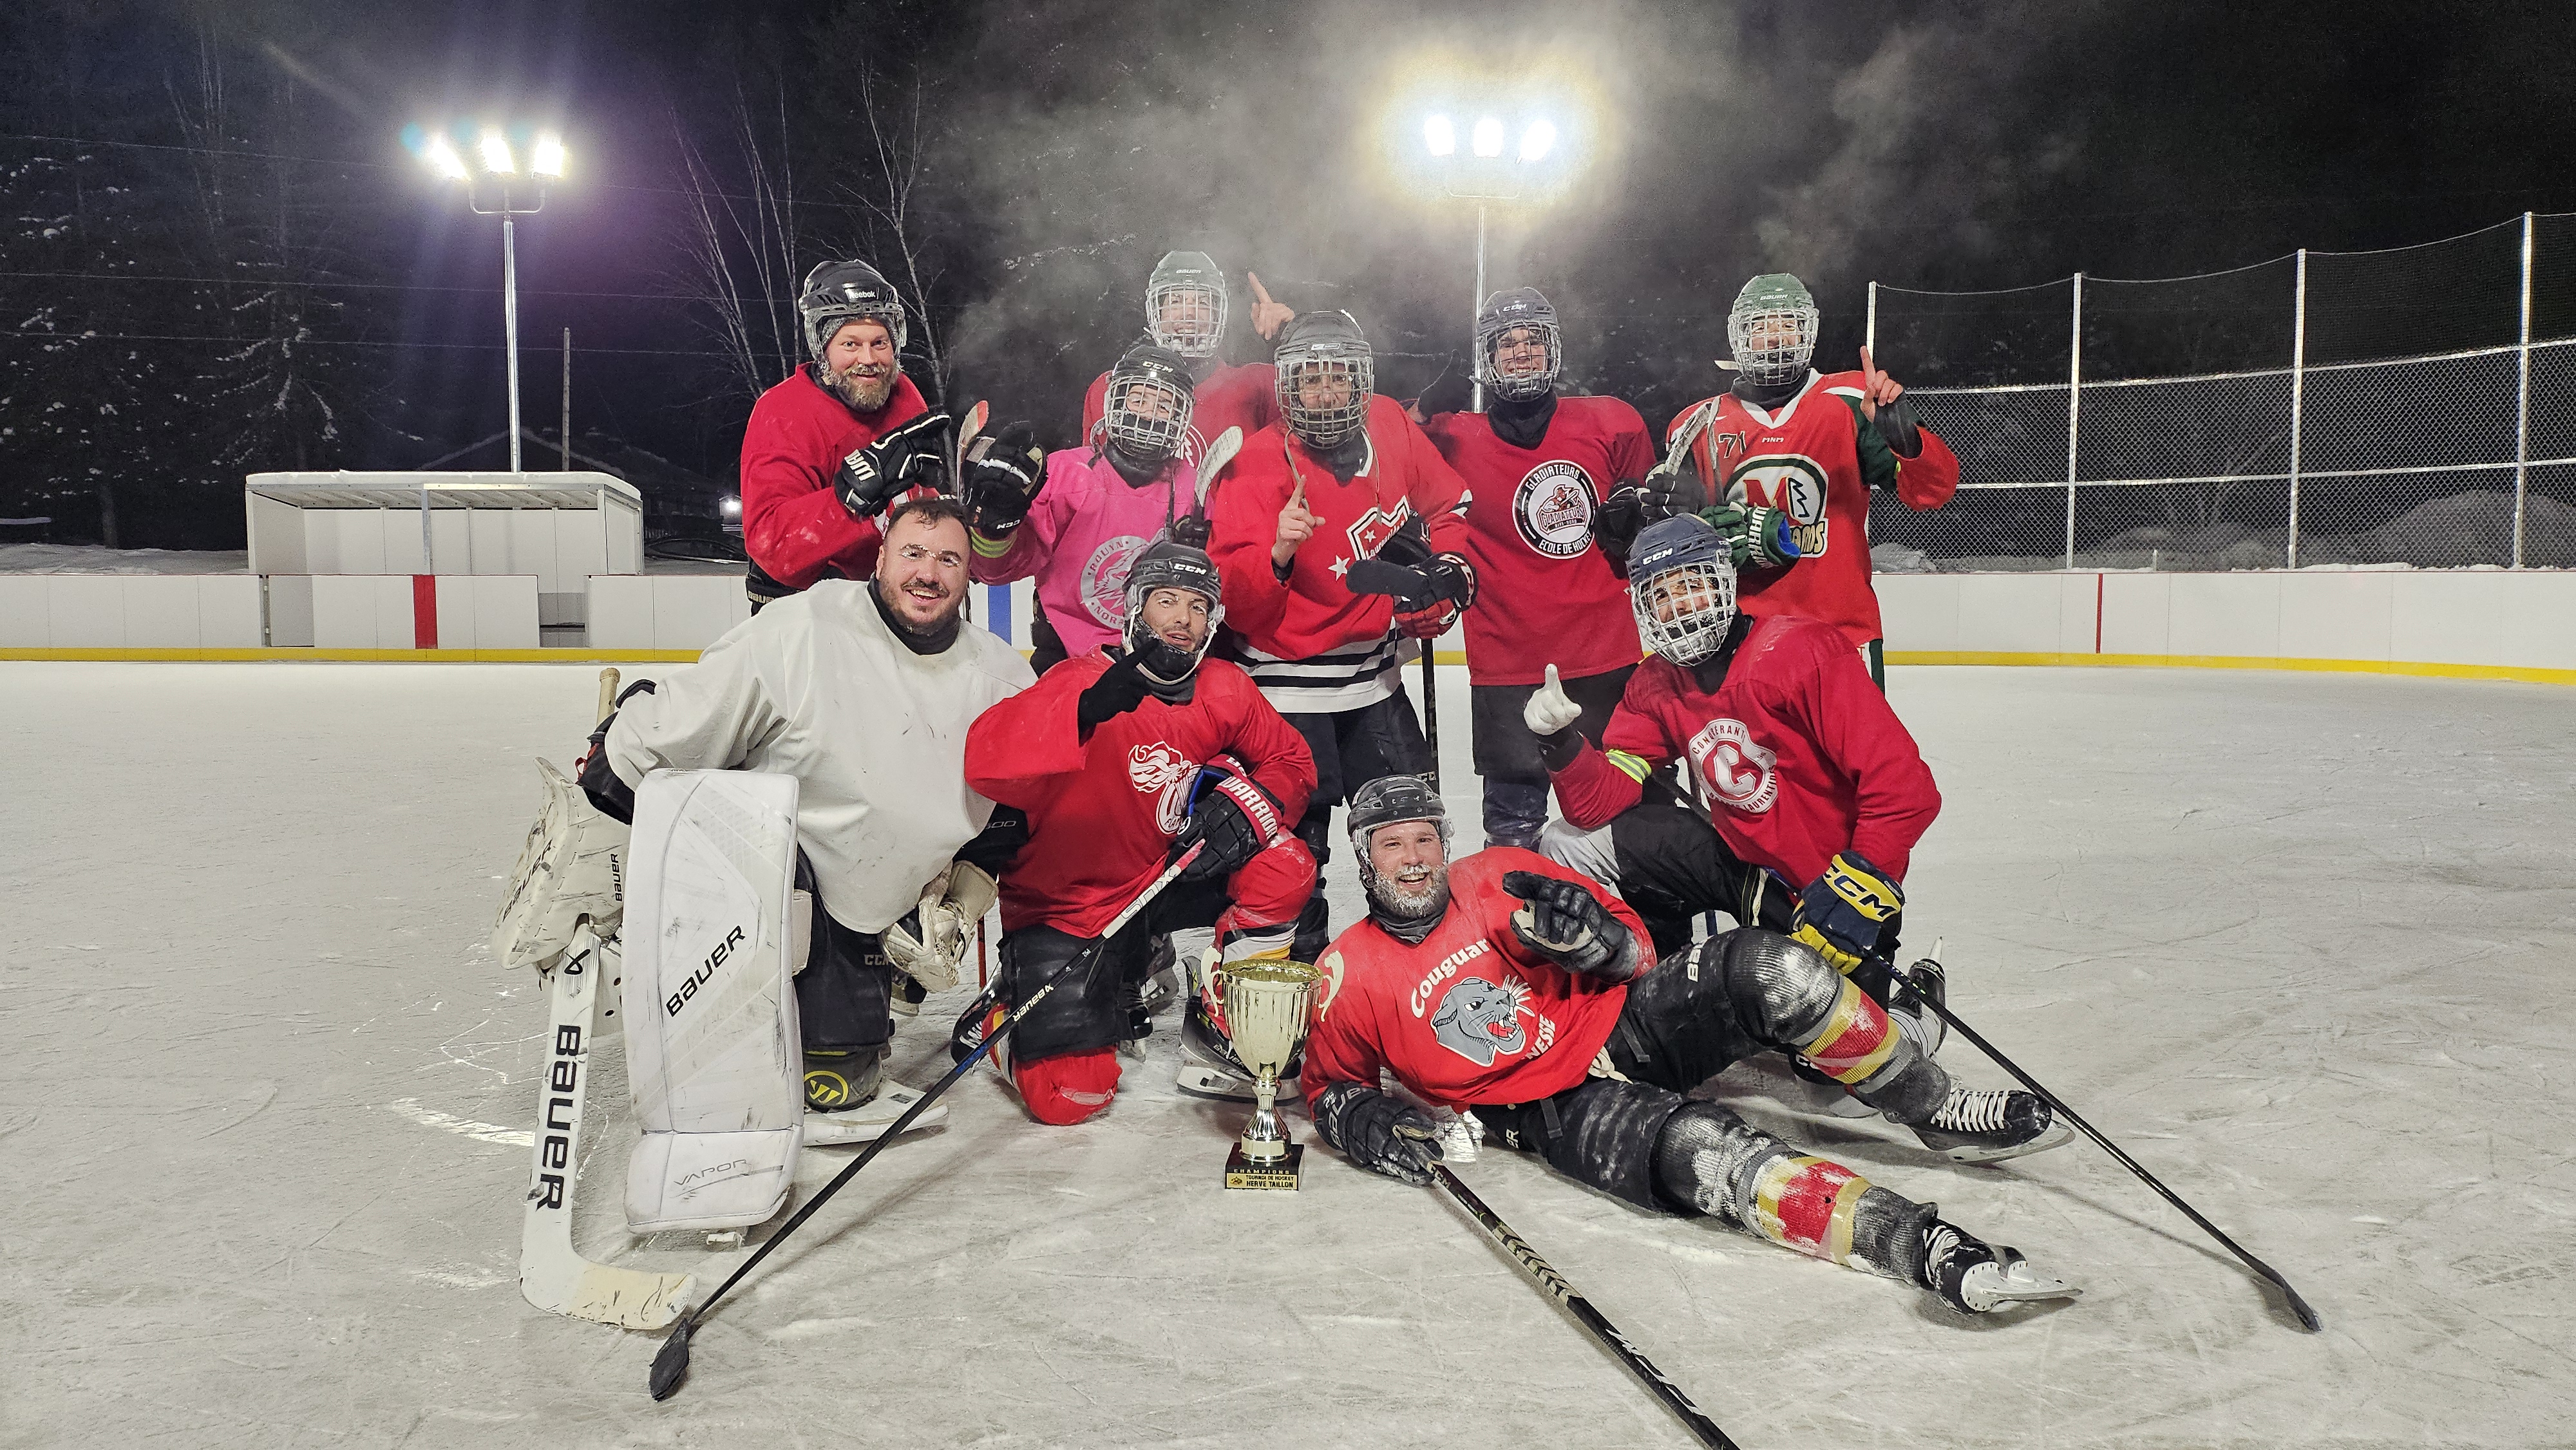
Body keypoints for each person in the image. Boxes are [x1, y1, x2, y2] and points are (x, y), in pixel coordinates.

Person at [1299, 775, 2082, 1317]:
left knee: (1770, 965)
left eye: (1425, 838)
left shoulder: (1501, 873)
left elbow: (1638, 948)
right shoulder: (1347, 971)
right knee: (1712, 1153)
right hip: (1548, 1106)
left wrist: (1602, 947)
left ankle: (1934, 1106)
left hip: (1622, 1023)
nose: (1413, 858)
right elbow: (1329, 1086)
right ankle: (1921, 1246)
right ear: (1364, 857)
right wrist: (1359, 1119)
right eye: (1392, 844)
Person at [1533, 516, 2045, 1129]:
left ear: (1723, 582)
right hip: (1741, 867)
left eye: (1691, 584)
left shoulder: (1801, 652)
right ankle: (1647, 982)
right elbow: (1598, 805)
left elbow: (1904, 789)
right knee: (1568, 843)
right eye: (1661, 595)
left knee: (1837, 1095)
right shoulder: (1656, 683)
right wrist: (1561, 745)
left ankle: (1915, 1015)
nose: (1679, 607)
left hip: (1831, 885)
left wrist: (1860, 888)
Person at [580, 496, 1035, 1142]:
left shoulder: (1002, 678)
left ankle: (892, 967)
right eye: (912, 553)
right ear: (881, 556)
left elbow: (1016, 813)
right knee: (823, 1073)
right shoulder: (804, 627)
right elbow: (702, 712)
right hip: (790, 877)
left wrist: (959, 900)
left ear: (970, 575)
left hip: (899, 885)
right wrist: (614, 765)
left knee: (842, 1078)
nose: (928, 573)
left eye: (948, 559)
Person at [959, 541, 1319, 1120]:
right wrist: (1082, 712)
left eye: (1199, 606)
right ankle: (1000, 1018)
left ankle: (1224, 1018)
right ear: (1134, 608)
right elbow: (985, 757)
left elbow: (1293, 762)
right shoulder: (1076, 679)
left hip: (1164, 874)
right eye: (1167, 601)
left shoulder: (1225, 686)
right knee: (1070, 1097)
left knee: (1285, 861)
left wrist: (1250, 802)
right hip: (1073, 905)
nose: (1183, 618)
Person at [1206, 309, 1473, 963]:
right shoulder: (1254, 461)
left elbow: (1450, 505)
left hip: (1374, 684)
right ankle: (1298, 985)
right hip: (1283, 695)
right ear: (1286, 387)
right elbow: (1236, 610)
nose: (1325, 393)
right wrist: (1276, 553)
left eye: (1338, 377)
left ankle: (1414, 974)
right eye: (1310, 379)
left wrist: (1447, 571)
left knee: (1408, 838)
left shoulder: (1390, 422)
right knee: (1293, 857)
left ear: (1361, 380)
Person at [1611, 273, 1960, 687]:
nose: (1776, 336)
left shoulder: (1853, 400)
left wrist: (1908, 441)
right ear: (1739, 336)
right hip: (1737, 640)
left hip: (1839, 633)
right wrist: (1659, 516)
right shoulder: (1696, 423)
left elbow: (1932, 493)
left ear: (1808, 331)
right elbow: (1677, 545)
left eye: (1788, 324)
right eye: (1761, 326)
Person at [1418, 287, 1657, 851]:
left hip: (1606, 657)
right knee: (1513, 836)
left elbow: (1647, 525)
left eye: (1532, 341)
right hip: (1507, 666)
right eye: (1506, 343)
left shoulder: (1613, 423)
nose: (1521, 351)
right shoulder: (1453, 436)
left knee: (1631, 827)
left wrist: (1638, 518)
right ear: (1487, 358)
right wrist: (1421, 405)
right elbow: (1381, 438)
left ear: (1554, 349)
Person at [738, 258, 958, 612]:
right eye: (851, 344)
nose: (868, 359)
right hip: (802, 611)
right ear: (823, 349)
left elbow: (915, 495)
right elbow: (772, 544)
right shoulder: (782, 412)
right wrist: (850, 498)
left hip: (884, 601)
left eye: (880, 342)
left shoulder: (903, 395)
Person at [967, 345, 1202, 677]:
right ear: (1114, 403)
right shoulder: (1065, 474)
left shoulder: (1195, 488)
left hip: (1158, 662)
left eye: (1164, 406)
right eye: (1138, 400)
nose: (1149, 415)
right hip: (1064, 656)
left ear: (1181, 419)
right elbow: (995, 571)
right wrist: (995, 528)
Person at [1078, 252, 1296, 461]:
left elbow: (1313, 418)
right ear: (1157, 312)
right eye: (1175, 301)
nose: (1189, 313)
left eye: (1203, 302)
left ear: (1218, 313)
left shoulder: (1257, 386)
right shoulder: (1113, 389)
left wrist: (1293, 338)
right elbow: (1094, 478)